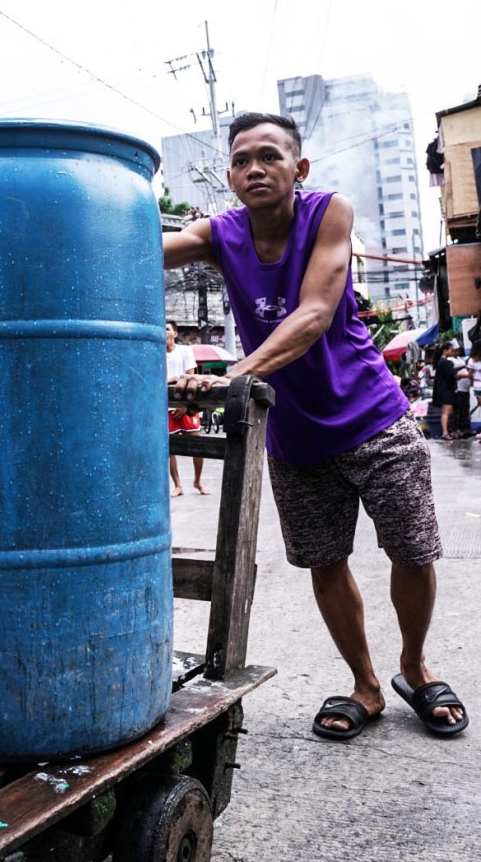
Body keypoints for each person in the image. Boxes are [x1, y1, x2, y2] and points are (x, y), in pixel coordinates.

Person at [163, 111, 466, 741]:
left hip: (373, 417)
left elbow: (316, 312)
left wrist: (235, 374)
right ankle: (366, 684)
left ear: (298, 169)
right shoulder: (221, 233)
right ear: (230, 176)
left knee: (412, 551)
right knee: (325, 563)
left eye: (270, 157)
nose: (255, 169)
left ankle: (413, 666)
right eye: (243, 160)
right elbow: (140, 247)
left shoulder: (328, 211)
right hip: (296, 438)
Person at [165, 321, 209, 496]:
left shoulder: (185, 351)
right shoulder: (155, 353)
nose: (163, 331)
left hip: (185, 404)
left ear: (175, 333)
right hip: (165, 405)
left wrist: (185, 405)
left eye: (167, 328)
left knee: (197, 443)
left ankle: (198, 481)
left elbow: (191, 378)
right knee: (169, 448)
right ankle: (177, 485)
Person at [431, 341, 463, 439]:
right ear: (445, 350)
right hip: (446, 390)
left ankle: (448, 431)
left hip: (444, 390)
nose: (453, 352)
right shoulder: (445, 362)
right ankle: (445, 432)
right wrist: (468, 375)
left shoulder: (441, 362)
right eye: (451, 350)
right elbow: (452, 375)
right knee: (447, 412)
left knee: (447, 411)